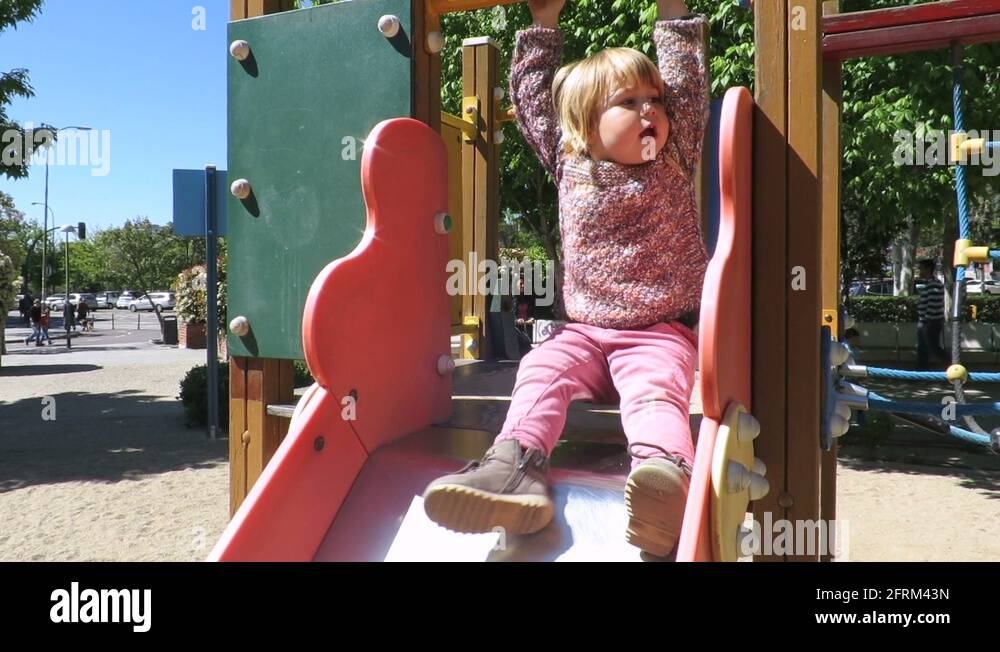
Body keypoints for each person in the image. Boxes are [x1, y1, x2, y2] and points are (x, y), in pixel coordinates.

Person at [421, 0, 708, 557]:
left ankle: (664, 478)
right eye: (629, 102)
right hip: (582, 333)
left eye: (655, 100)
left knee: (655, 392)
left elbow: (688, 80)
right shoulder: (568, 158)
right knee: (540, 369)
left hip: (658, 333)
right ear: (583, 126)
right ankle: (515, 467)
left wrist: (673, 11)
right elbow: (531, 98)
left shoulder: (675, 155)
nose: (650, 110)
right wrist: (542, 23)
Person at [915, 259, 947, 370]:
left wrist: (926, 323)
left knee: (931, 348)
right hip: (928, 321)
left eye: (921, 269)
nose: (919, 271)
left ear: (928, 269)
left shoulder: (933, 284)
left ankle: (952, 367)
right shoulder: (931, 283)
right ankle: (921, 372)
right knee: (925, 348)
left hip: (930, 322)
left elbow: (933, 306)